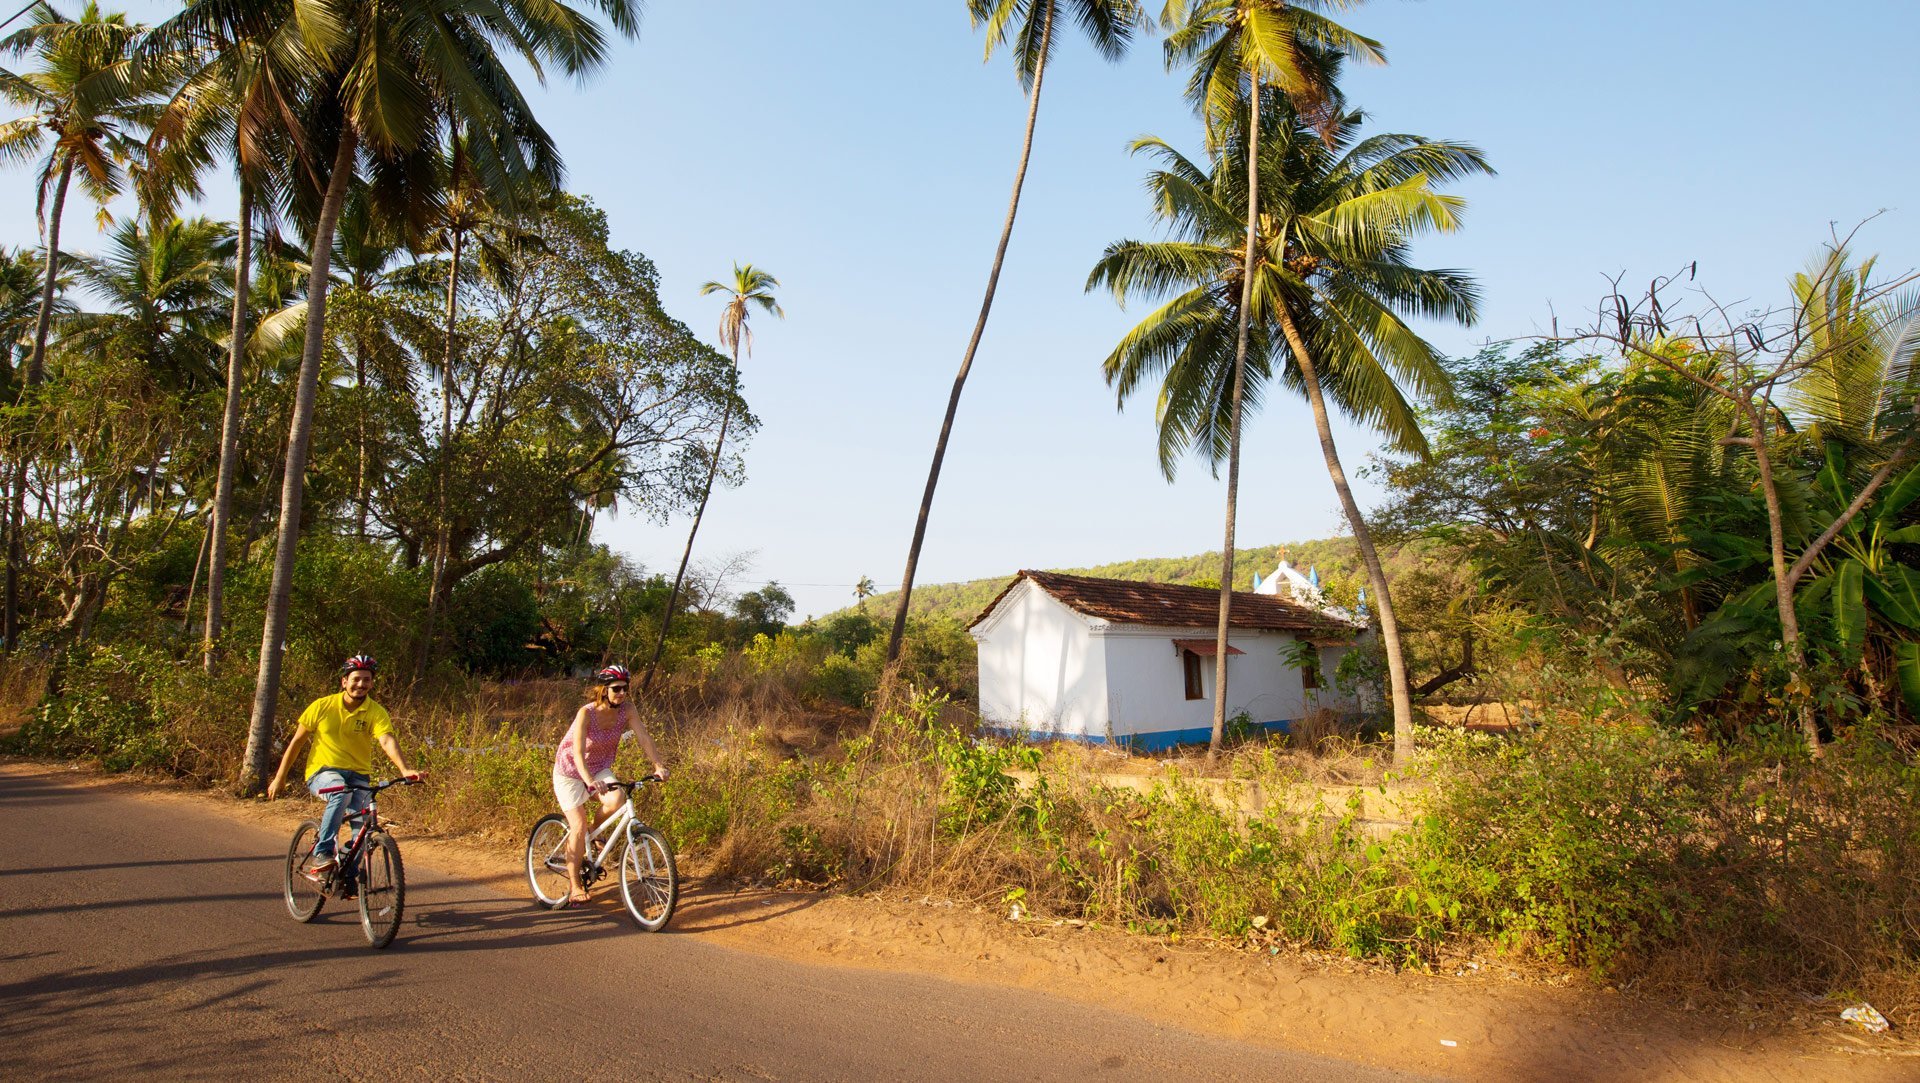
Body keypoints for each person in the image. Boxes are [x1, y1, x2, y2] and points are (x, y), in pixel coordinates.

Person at [267, 654, 424, 875]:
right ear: (344, 681)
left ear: (371, 683)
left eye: (366, 680)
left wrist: (405, 770)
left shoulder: (375, 712)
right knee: (340, 792)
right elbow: (297, 742)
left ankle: (347, 872)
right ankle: (322, 852)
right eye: (356, 679)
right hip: (322, 772)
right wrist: (280, 777)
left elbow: (387, 740)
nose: (361, 684)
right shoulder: (322, 706)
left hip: (359, 776)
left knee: (365, 828)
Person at [553, 664, 668, 904]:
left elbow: (644, 737)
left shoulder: (627, 710)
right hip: (571, 771)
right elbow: (576, 752)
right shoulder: (587, 712)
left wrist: (658, 765)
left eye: (625, 688)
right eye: (616, 689)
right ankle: (575, 886)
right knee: (578, 825)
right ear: (604, 689)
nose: (622, 693)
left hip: (599, 767)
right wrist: (590, 782)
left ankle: (595, 835)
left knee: (617, 799)